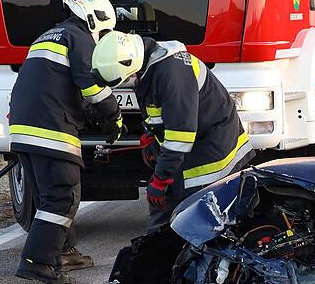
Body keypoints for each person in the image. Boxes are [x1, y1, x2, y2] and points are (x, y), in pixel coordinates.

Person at [9, 0, 121, 284]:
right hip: (50, 129)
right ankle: (37, 262)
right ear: (95, 20)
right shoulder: (79, 37)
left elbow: (55, 83)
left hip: (23, 128)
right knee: (62, 195)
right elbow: (91, 85)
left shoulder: (48, 35)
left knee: (52, 196)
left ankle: (64, 252)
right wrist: (113, 116)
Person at [91, 31, 253, 231]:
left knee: (197, 217)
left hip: (213, 148)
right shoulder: (147, 67)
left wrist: (161, 179)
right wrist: (151, 136)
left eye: (126, 79)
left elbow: (180, 136)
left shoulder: (171, 74)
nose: (128, 82)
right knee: (173, 213)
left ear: (131, 66)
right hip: (195, 144)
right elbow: (160, 114)